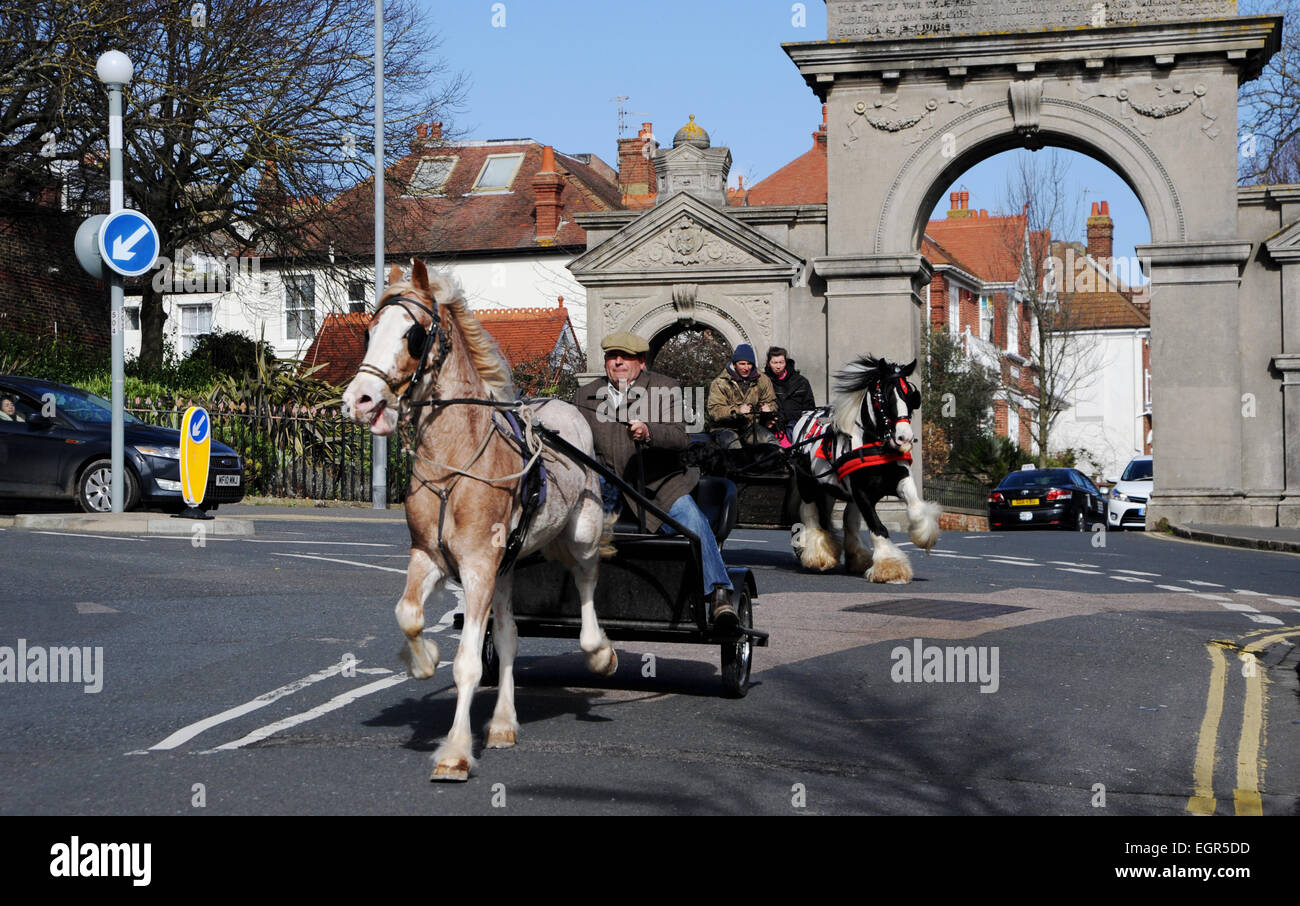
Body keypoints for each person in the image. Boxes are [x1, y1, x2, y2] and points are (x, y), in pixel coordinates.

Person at [576, 331, 738, 628]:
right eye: (613, 357)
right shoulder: (586, 393)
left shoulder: (666, 387)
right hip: (606, 488)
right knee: (561, 526)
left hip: (659, 484)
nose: (618, 362)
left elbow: (679, 437)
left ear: (641, 362)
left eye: (625, 357)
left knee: (693, 524)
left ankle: (719, 594)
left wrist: (648, 432)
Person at [706, 343, 778, 445]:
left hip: (750, 427)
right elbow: (714, 411)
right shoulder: (719, 383)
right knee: (733, 445)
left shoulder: (763, 380)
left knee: (770, 441)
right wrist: (738, 410)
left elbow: (772, 402)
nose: (746, 367)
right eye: (742, 364)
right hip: (724, 428)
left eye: (749, 364)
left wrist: (769, 408)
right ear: (735, 364)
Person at [764, 347, 815, 436]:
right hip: (772, 428)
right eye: (774, 363)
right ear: (769, 363)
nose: (778, 366)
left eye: (781, 362)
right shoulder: (764, 381)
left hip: (797, 427)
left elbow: (810, 409)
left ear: (786, 362)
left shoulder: (801, 382)